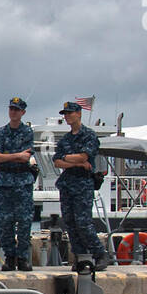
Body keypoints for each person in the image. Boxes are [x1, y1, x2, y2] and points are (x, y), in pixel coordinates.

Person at [53, 101, 111, 271]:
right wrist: (74, 162)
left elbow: (84, 156)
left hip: (83, 184)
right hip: (67, 184)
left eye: (70, 113)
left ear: (79, 113)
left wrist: (69, 158)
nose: (67, 116)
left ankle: (100, 253)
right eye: (65, 113)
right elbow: (57, 161)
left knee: (83, 222)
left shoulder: (89, 135)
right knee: (70, 222)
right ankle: (80, 257)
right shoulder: (65, 139)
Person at [0, 97, 36, 271]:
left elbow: (27, 156)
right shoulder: (1, 132)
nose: (13, 112)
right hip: (5, 181)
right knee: (5, 221)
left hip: (22, 181)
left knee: (24, 221)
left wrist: (6, 156)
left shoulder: (27, 132)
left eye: (17, 109)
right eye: (11, 109)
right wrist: (16, 156)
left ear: (23, 112)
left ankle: (22, 257)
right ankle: (10, 257)